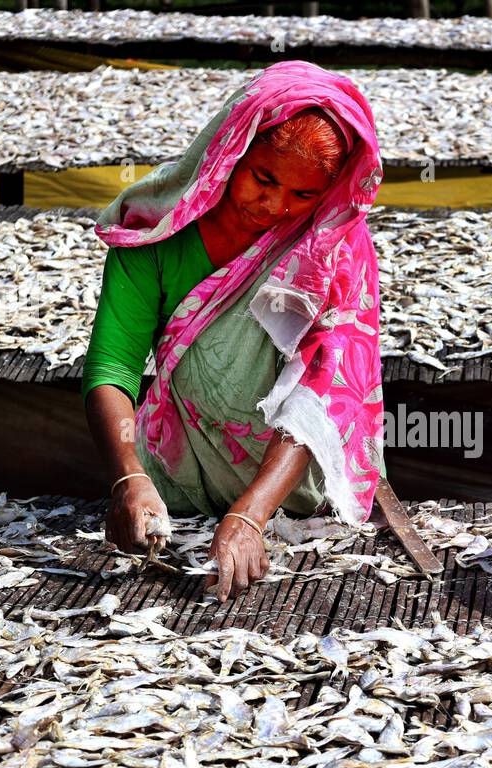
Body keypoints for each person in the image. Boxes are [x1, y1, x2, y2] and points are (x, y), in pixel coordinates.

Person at [82, 61, 386, 602]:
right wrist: (129, 478)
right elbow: (114, 364)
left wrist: (251, 515)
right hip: (176, 477)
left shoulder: (332, 246)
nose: (275, 206)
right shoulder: (154, 228)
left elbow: (321, 391)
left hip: (293, 492)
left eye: (305, 194)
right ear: (231, 151)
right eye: (264, 179)